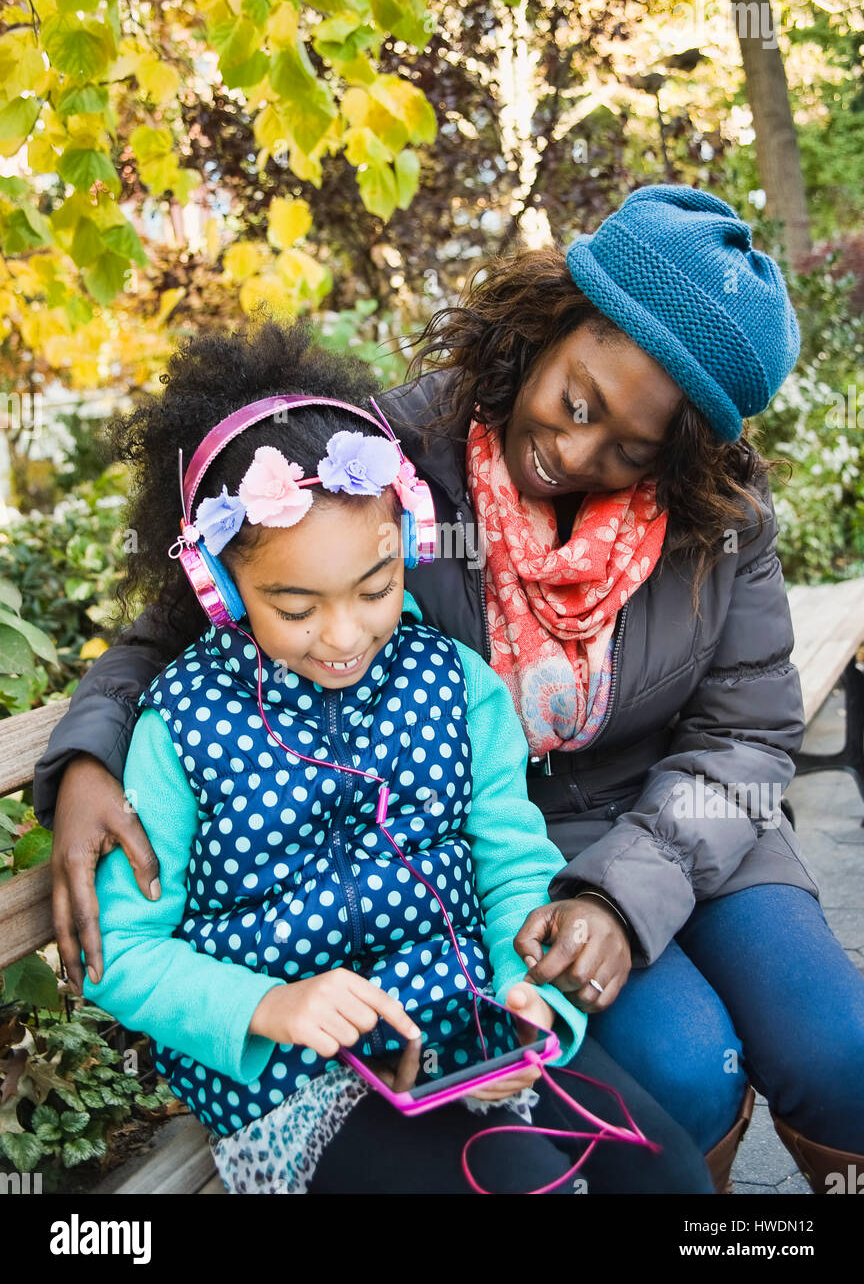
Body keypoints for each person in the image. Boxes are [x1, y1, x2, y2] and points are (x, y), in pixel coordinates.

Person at [37, 184, 864, 1193]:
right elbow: (190, 617)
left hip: (693, 825)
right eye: (575, 402)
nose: (572, 454)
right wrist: (87, 751)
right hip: (531, 849)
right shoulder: (375, 460)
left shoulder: (719, 511)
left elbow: (747, 735)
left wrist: (625, 890)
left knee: (842, 1048)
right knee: (688, 1065)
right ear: (550, 324)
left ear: (684, 454)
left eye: (631, 450)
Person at [76, 322, 711, 1194]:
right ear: (220, 588)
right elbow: (123, 951)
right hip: (295, 1087)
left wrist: (533, 999)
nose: (343, 636)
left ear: (407, 547)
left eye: (375, 590)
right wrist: (268, 1006)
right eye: (295, 607)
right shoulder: (180, 726)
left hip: (467, 1029)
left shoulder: (459, 687)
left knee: (666, 1175)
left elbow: (512, 869)